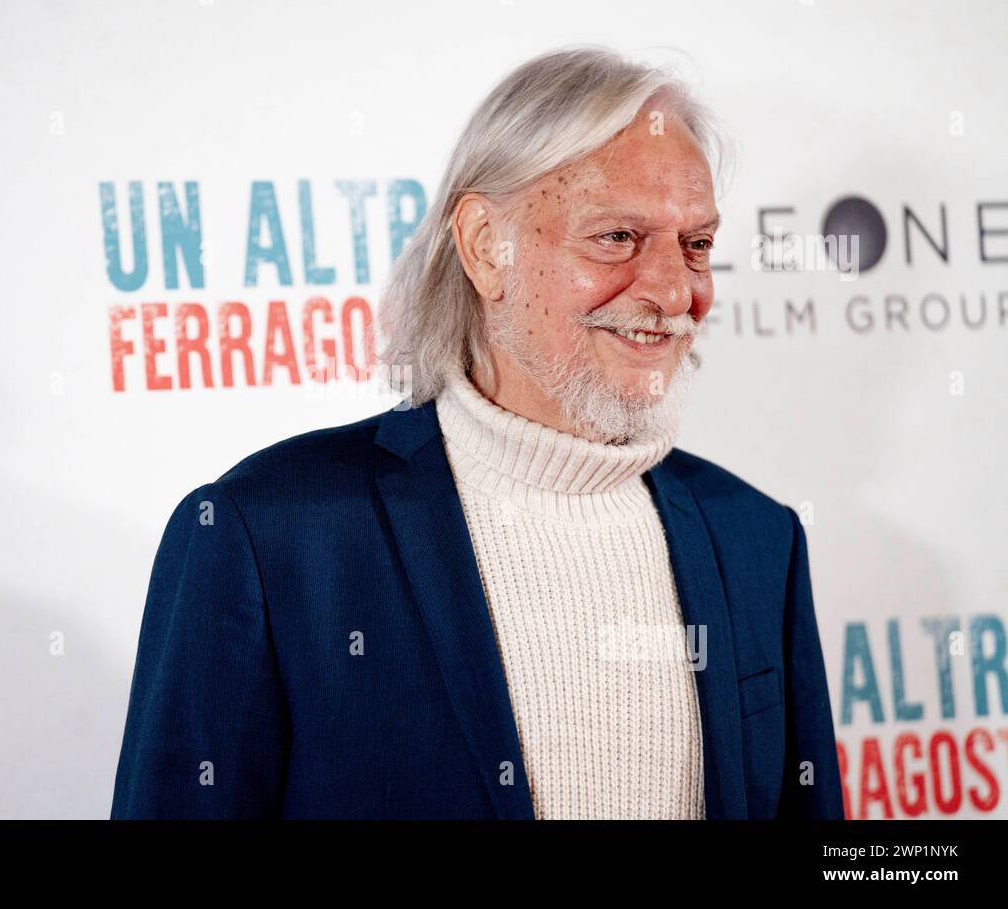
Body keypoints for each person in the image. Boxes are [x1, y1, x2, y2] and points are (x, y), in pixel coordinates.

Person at [110, 45, 844, 819]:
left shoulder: (759, 539)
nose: (673, 290)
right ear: (486, 247)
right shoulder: (271, 534)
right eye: (618, 238)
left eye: (696, 245)